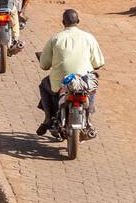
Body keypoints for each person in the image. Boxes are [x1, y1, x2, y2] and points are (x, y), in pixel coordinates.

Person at [36, 9, 105, 137]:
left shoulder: (55, 38)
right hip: (84, 82)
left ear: (63, 22)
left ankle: (47, 118)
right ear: (78, 21)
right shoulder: (89, 38)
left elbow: (44, 65)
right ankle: (89, 119)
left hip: (62, 83)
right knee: (92, 90)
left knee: (43, 85)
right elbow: (99, 63)